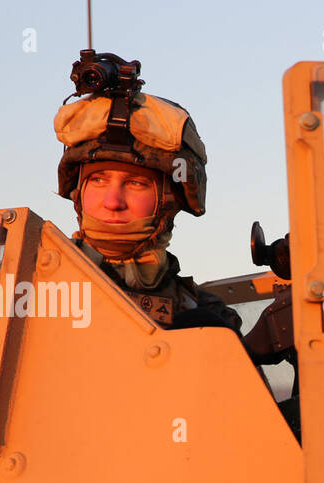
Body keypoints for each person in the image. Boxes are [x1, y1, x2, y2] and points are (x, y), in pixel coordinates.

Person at [53, 89, 241, 332]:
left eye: (136, 184)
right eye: (98, 180)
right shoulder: (33, 289)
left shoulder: (206, 315)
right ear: (78, 192)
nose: (113, 201)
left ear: (169, 201)